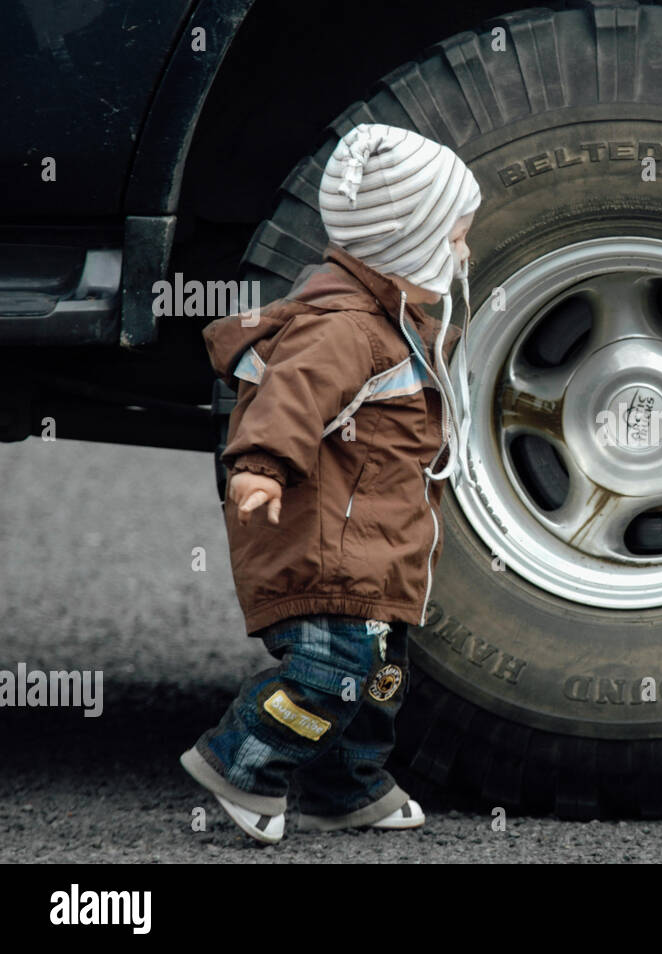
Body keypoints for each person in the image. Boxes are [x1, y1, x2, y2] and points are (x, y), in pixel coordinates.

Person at [179, 124, 479, 844]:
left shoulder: (389, 323)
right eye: (457, 236)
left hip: (377, 552)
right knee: (328, 669)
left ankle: (349, 788)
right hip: (329, 551)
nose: (465, 252)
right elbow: (292, 395)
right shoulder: (343, 327)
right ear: (410, 242)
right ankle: (241, 761)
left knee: (376, 682)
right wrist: (261, 466)